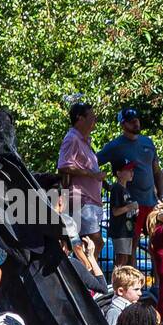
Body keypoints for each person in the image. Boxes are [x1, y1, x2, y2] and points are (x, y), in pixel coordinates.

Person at [97, 108, 163, 243]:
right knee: (131, 246)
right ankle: (129, 266)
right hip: (132, 205)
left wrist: (162, 195)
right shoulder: (114, 146)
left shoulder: (148, 142)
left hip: (152, 203)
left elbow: (157, 171)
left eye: (137, 119)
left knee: (156, 244)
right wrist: (107, 186)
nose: (136, 123)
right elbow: (93, 163)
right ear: (123, 124)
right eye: (131, 121)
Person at [56, 102, 104, 257]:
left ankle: (88, 276)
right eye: (92, 116)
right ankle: (89, 277)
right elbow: (64, 166)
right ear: (80, 118)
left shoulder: (84, 140)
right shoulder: (72, 139)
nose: (95, 119)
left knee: (86, 244)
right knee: (94, 242)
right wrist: (92, 175)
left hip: (91, 200)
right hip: (81, 199)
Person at [107, 160, 141, 269]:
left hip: (127, 230)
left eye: (132, 170)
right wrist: (130, 207)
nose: (132, 173)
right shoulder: (117, 188)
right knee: (121, 259)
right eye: (128, 170)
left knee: (125, 258)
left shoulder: (126, 190)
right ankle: (115, 282)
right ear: (118, 173)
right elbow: (115, 212)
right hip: (120, 230)